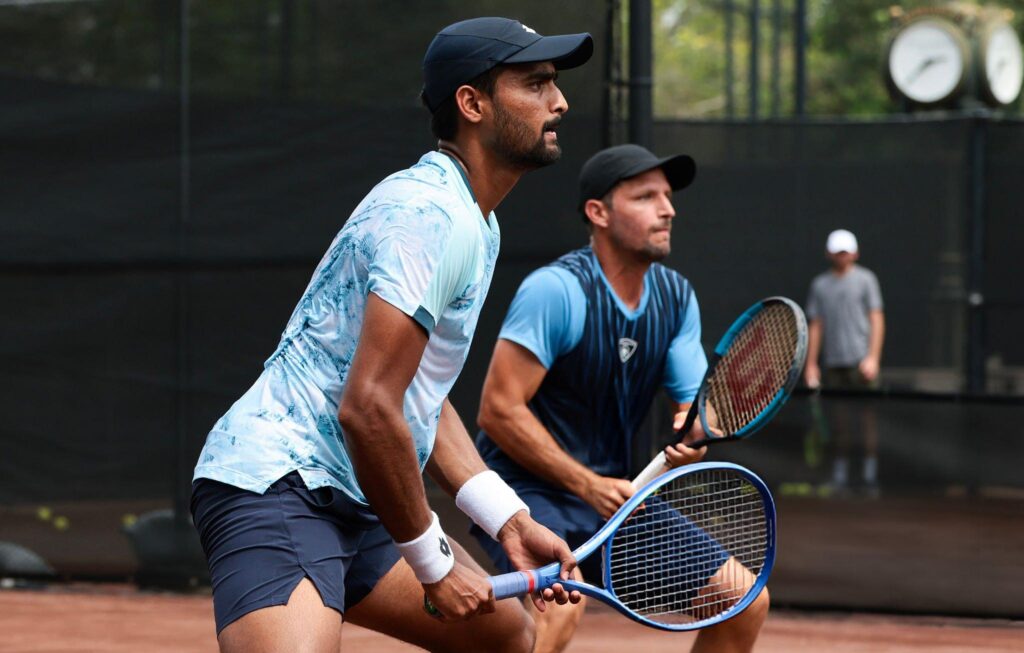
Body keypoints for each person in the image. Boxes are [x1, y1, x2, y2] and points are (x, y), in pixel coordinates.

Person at [189, 17, 594, 653]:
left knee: (508, 637)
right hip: (280, 482)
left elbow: (416, 395)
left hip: (357, 494)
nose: (559, 101)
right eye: (536, 83)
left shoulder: (477, 223)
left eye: (556, 84)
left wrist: (508, 518)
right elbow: (369, 407)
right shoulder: (429, 216)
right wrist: (433, 563)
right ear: (473, 103)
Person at [472, 144, 770, 653]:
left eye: (668, 197)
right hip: (527, 492)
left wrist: (692, 434)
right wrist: (586, 484)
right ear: (599, 213)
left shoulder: (675, 298)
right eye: (646, 196)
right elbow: (498, 411)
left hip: (616, 496)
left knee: (743, 599)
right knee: (562, 604)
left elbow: (695, 409)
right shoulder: (556, 291)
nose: (668, 208)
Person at [804, 228, 885, 495]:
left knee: (867, 421)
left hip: (862, 365)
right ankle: (840, 479)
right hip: (834, 365)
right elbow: (816, 325)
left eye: (846, 251)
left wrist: (872, 358)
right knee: (840, 423)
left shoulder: (866, 280)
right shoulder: (820, 285)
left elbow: (876, 318)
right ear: (830, 254)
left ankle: (869, 478)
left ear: (855, 253)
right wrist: (812, 364)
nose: (842, 256)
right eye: (838, 251)